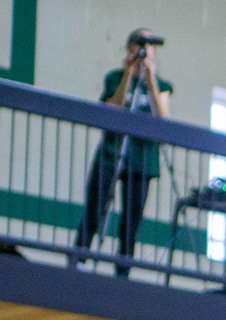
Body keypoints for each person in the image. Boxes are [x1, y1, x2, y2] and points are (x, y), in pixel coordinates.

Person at [73, 28, 171, 276]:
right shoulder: (114, 78)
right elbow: (111, 109)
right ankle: (78, 260)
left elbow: (164, 119)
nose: (146, 51)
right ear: (130, 48)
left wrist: (150, 80)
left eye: (150, 47)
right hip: (112, 153)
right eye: (142, 45)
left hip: (143, 161)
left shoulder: (162, 85)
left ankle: (123, 272)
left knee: (131, 222)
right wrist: (129, 74)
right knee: (95, 209)